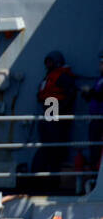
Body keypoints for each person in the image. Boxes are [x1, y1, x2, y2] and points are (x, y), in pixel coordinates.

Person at [34, 51, 76, 179]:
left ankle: (54, 176)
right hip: (49, 108)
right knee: (47, 144)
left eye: (50, 62)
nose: (48, 65)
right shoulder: (50, 76)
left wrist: (60, 109)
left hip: (56, 110)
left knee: (55, 146)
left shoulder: (63, 76)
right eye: (47, 62)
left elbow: (70, 94)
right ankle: (43, 175)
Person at [80, 51, 103, 174]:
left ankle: (96, 172)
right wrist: (87, 94)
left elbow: (100, 96)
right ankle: (94, 172)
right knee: (94, 145)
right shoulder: (100, 80)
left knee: (97, 145)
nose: (100, 66)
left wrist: (91, 92)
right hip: (95, 118)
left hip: (100, 118)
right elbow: (96, 95)